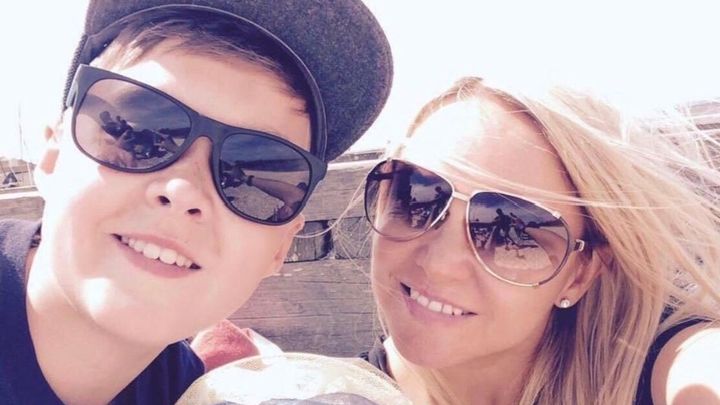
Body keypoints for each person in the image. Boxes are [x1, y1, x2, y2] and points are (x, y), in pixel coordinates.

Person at [0, 1, 392, 404]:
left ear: (280, 247)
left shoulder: (185, 390)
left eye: (247, 170)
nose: (183, 189)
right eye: (139, 134)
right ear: (52, 156)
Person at [361, 77, 720, 404]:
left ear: (579, 275)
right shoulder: (344, 391)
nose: (438, 264)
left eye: (511, 232)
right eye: (416, 198)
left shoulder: (668, 365)